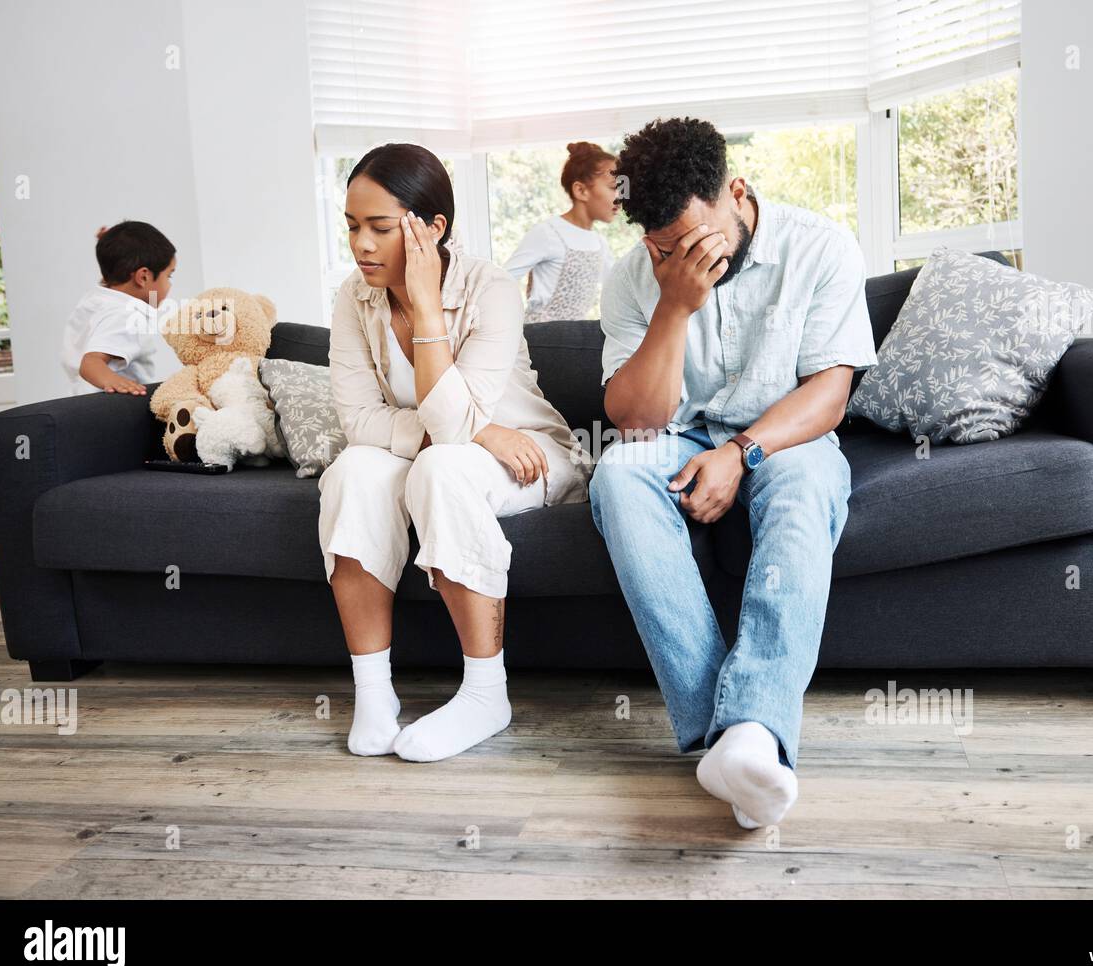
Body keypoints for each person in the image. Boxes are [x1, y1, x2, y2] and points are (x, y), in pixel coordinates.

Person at [588, 117, 878, 829]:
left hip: (786, 435)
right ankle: (742, 742)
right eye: (662, 246)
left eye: (692, 238)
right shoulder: (635, 275)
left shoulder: (821, 247)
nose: (678, 255)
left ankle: (748, 732)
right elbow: (634, 419)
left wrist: (740, 452)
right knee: (617, 477)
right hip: (678, 434)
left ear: (735, 192)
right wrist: (674, 307)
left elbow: (829, 394)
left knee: (806, 485)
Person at [320, 142, 592, 762]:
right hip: (447, 449)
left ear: (432, 227)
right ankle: (374, 693)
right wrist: (478, 429)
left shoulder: (489, 287)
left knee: (444, 465)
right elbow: (359, 421)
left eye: (380, 228)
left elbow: (448, 427)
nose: (361, 244)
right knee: (352, 472)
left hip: (527, 458)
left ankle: (485, 693)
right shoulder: (352, 298)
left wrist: (423, 307)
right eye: (353, 226)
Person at [503, 141, 617, 322]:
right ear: (581, 190)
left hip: (574, 340)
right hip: (540, 337)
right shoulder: (548, 233)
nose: (620, 197)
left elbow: (620, 288)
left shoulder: (599, 244)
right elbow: (502, 280)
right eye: (613, 187)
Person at [60, 221, 178, 396]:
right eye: (169, 275)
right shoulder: (125, 316)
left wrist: (107, 245)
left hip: (83, 401)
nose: (169, 285)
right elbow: (91, 362)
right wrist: (115, 382)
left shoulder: (98, 300)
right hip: (116, 407)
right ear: (143, 277)